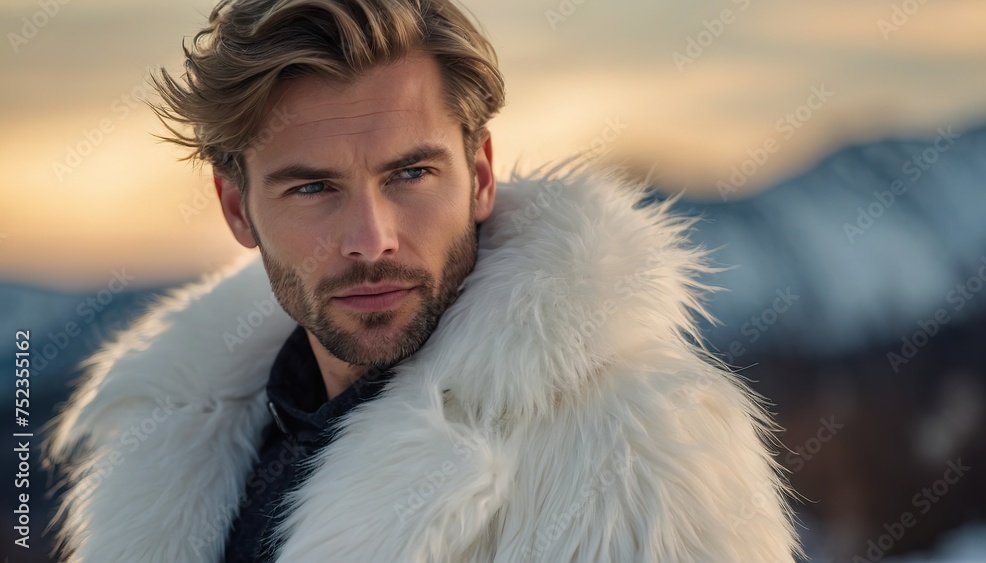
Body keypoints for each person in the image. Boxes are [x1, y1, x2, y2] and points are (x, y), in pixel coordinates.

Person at [48, 0, 798, 561]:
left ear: (478, 177)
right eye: (312, 189)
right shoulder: (183, 450)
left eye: (410, 173)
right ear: (238, 208)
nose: (371, 240)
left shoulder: (645, 455)